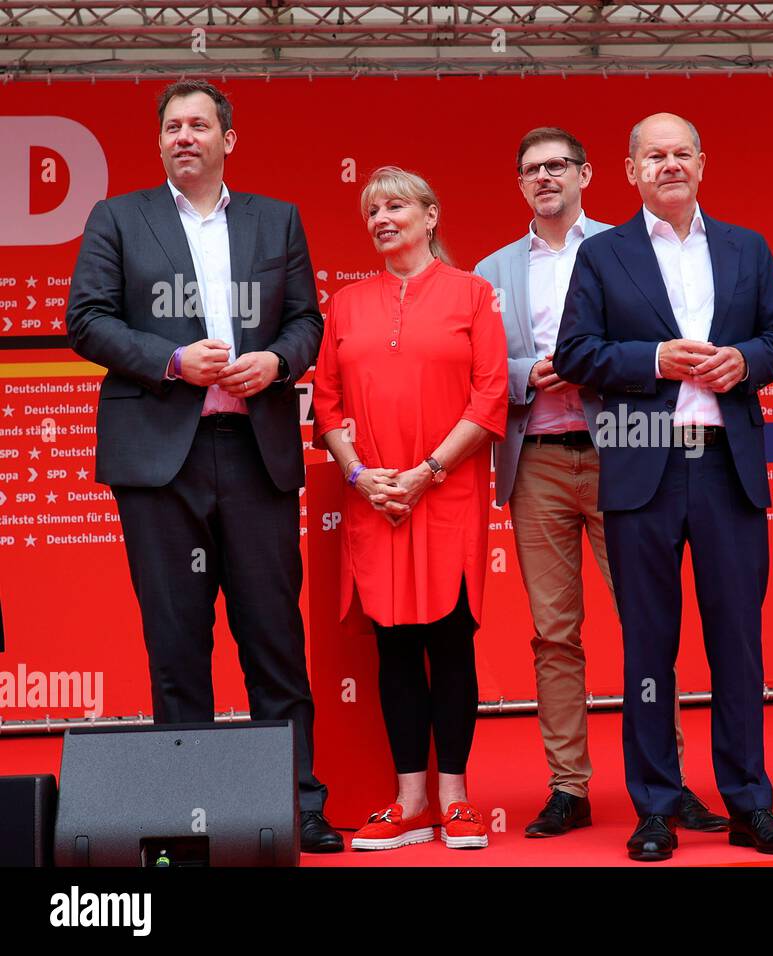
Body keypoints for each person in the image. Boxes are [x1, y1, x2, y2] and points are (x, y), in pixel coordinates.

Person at [65, 79, 342, 852]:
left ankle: (296, 803)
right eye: (172, 127)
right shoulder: (118, 217)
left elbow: (306, 322)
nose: (184, 136)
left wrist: (276, 365)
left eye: (199, 124)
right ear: (158, 144)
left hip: (254, 453)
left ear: (229, 138)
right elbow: (85, 320)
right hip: (160, 461)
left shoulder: (275, 219)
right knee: (177, 642)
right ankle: (191, 812)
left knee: (274, 639)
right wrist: (173, 360)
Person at [554, 112, 773, 862]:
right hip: (642, 464)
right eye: (652, 156)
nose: (668, 165)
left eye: (680, 153)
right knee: (648, 648)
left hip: (727, 465)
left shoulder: (746, 246)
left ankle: (749, 803)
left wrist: (746, 361)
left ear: (703, 161)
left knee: (739, 643)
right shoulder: (602, 254)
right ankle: (655, 807)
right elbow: (576, 352)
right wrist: (654, 358)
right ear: (630, 171)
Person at [474, 127, 727, 838]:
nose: (545, 177)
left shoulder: (626, 250)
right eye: (532, 170)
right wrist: (528, 374)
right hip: (540, 461)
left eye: (558, 165)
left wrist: (594, 363)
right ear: (520, 184)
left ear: (588, 173)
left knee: (650, 626)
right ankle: (568, 786)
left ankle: (669, 782)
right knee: (555, 634)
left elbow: (653, 344)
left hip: (628, 453)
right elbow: (482, 372)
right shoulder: (492, 271)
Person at [312, 166, 508, 851]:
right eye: (372, 211)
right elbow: (327, 405)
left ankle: (455, 799)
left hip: (446, 492)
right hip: (375, 498)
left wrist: (427, 472)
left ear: (430, 216)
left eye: (394, 206)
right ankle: (410, 801)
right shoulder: (344, 303)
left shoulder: (476, 295)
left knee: (450, 640)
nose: (381, 219)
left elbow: (490, 401)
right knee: (394, 646)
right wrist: (363, 476)